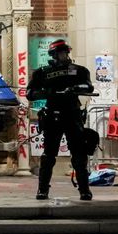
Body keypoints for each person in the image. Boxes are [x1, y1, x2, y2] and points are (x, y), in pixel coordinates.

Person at [27, 39, 95, 201]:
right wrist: (45, 92)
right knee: (48, 155)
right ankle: (43, 190)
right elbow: (30, 93)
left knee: (79, 155)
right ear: (53, 55)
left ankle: (84, 190)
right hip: (52, 115)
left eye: (65, 52)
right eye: (59, 53)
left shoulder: (79, 71)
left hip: (72, 114)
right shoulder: (42, 73)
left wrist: (74, 89)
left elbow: (88, 87)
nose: (63, 56)